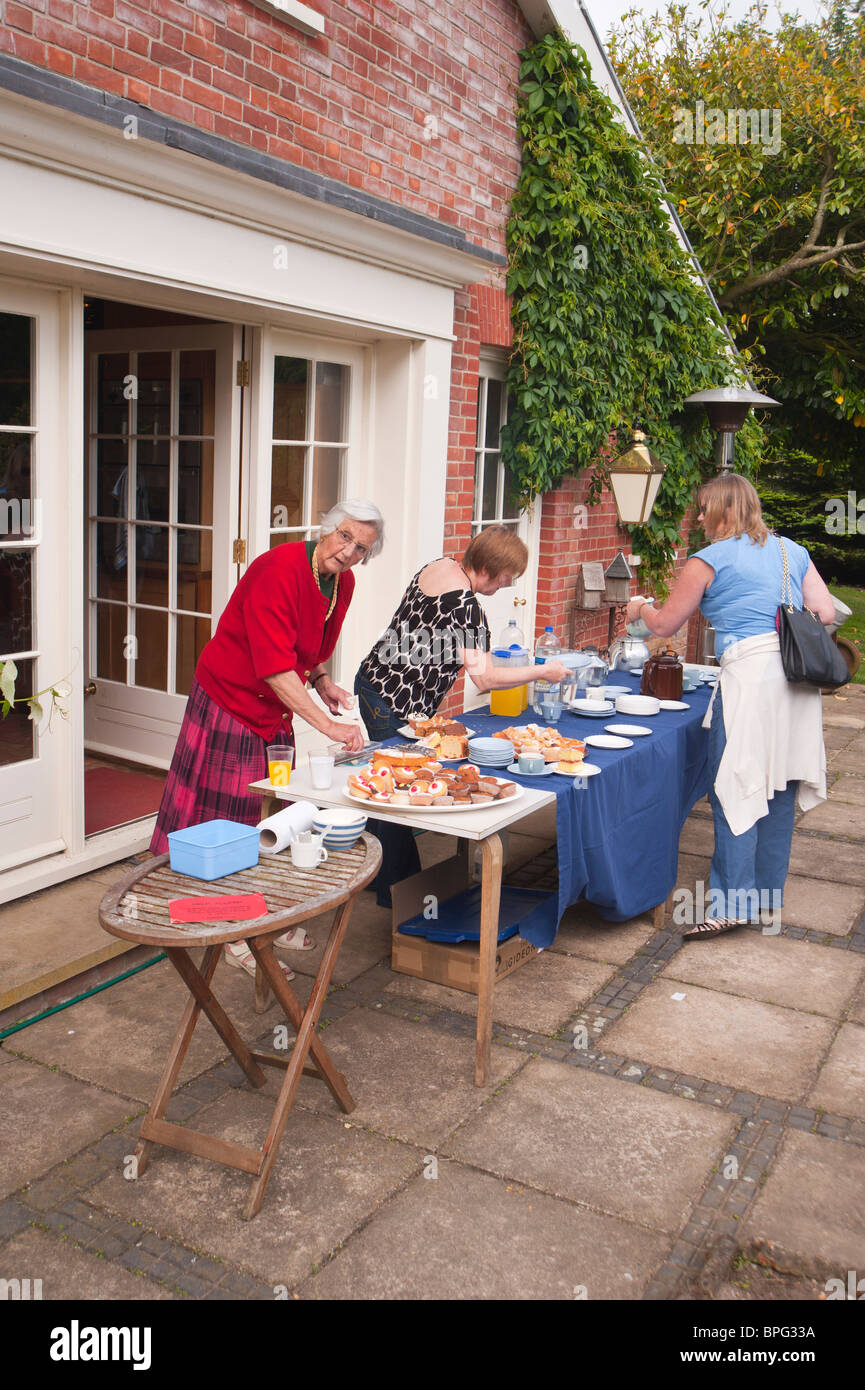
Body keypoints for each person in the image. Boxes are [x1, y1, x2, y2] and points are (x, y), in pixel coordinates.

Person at [151, 500, 384, 978]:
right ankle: (231, 928)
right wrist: (328, 725)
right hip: (230, 699)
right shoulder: (277, 570)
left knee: (274, 812)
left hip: (274, 711)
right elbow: (275, 667)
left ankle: (265, 916)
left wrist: (323, 682)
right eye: (344, 537)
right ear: (327, 530)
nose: (349, 551)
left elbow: (309, 651)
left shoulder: (344, 583)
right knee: (227, 813)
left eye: (361, 547)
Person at [626, 473, 834, 938]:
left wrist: (640, 609)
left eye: (703, 508)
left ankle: (730, 904)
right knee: (777, 786)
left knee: (735, 785)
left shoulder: (707, 560)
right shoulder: (791, 552)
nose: (698, 517)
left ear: (722, 510)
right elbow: (824, 612)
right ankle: (763, 899)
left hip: (752, 681)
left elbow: (665, 625)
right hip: (796, 683)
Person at [354, 525, 569, 905]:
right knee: (398, 790)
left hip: (376, 682)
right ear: (489, 566)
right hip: (390, 699)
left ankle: (372, 875)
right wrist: (541, 670)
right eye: (507, 577)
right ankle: (402, 895)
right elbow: (484, 678)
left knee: (388, 781)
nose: (507, 585)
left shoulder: (439, 566)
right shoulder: (467, 608)